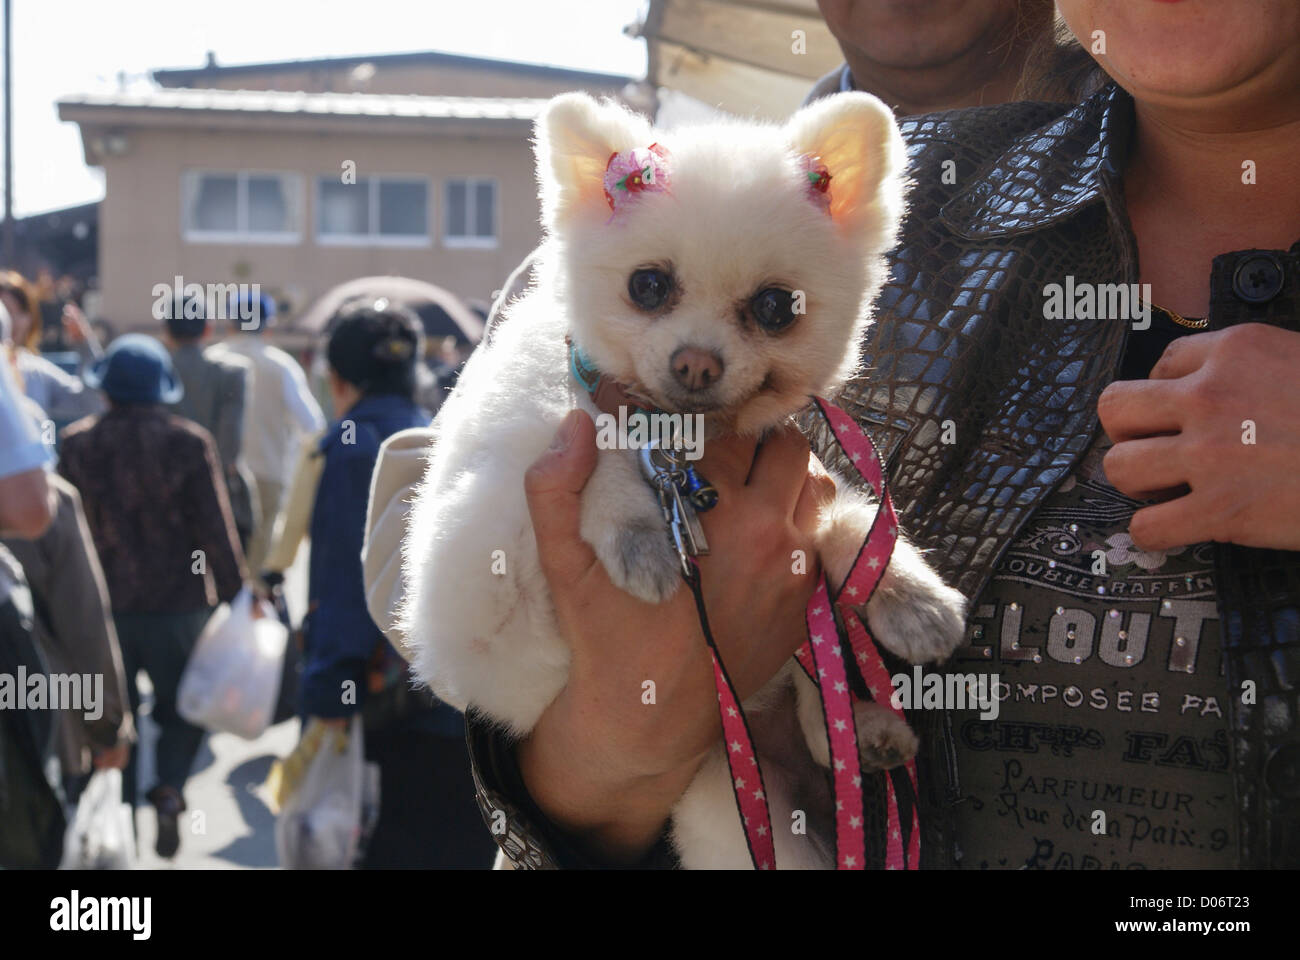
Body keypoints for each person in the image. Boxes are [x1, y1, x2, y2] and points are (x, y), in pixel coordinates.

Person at [371, 0, 1300, 869]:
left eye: (768, 312)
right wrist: (629, 732)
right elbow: (448, 584)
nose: (697, 358)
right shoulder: (745, 209)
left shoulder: (798, 208)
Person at [301, 301, 495, 868]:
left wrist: (330, 690)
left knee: (391, 844)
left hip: (390, 698)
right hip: (462, 692)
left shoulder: (353, 447)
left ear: (338, 379)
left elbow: (345, 585)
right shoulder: (439, 433)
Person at [58, 334, 247, 859]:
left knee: (112, 720)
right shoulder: (190, 442)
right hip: (179, 608)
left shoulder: (77, 444)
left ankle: (116, 828)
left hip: (102, 611)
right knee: (183, 708)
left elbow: (63, 536)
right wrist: (240, 594)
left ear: (107, 391)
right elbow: (216, 529)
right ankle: (167, 790)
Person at [207, 292, 325, 580]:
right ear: (268, 326)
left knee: (213, 564)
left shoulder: (211, 361)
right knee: (256, 571)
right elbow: (313, 427)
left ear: (230, 323)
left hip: (214, 475)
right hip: (267, 475)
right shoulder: (281, 365)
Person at [162, 294, 258, 548]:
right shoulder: (233, 373)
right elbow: (230, 444)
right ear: (207, 328)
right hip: (218, 496)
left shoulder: (158, 371)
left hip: (166, 497)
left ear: (167, 330)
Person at [0, 270, 103, 425]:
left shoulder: (36, 371)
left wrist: (84, 344)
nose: (10, 321)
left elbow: (90, 403)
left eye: (19, 312)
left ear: (31, 318)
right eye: (4, 312)